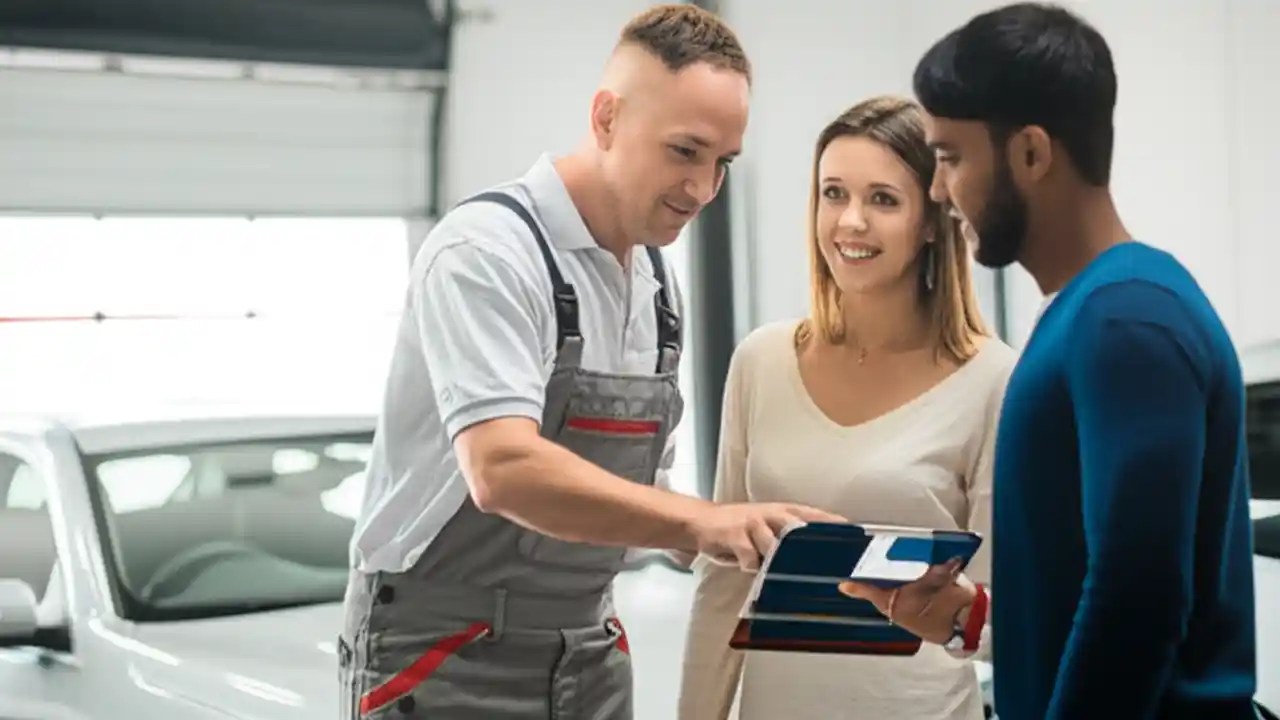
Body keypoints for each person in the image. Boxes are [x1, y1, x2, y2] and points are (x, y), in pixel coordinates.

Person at [337, 5, 840, 719]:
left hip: (587, 649)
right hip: (441, 654)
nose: (702, 188)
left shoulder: (657, 285)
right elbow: (503, 470)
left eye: (722, 162)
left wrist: (766, 543)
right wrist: (700, 523)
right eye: (684, 151)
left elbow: (638, 499)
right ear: (606, 118)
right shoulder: (486, 252)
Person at [840, 4, 1260, 719]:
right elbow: (1093, 582)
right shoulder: (1097, 310)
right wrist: (968, 617)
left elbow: (1137, 598)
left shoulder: (1127, 318)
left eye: (950, 158)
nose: (940, 192)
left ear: (1031, 154)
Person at [678, 95, 1017, 720]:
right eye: (833, 194)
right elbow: (722, 580)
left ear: (930, 218)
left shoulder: (995, 379)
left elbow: (1004, 609)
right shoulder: (761, 361)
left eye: (883, 200)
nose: (850, 222)